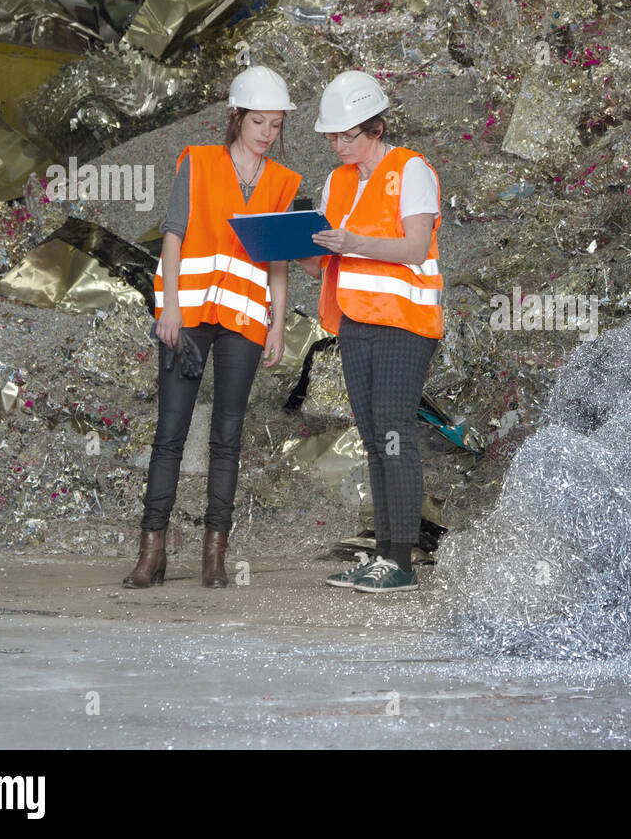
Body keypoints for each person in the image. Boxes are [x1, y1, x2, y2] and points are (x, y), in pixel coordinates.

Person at [124, 66, 302, 589]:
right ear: (236, 118)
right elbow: (174, 236)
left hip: (245, 321)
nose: (268, 134)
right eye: (259, 123)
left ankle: (214, 556)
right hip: (190, 316)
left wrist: (277, 324)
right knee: (169, 435)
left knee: (227, 436)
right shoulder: (198, 163)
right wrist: (170, 306)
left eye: (275, 125)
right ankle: (151, 552)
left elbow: (278, 261)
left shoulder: (283, 182)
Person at [296, 70, 443, 594]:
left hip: (405, 325)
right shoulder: (336, 182)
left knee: (395, 435)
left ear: (375, 127)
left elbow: (414, 248)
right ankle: (382, 554)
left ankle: (400, 562)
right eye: (332, 136)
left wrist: (352, 241)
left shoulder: (411, 170)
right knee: (375, 440)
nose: (337, 145)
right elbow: (325, 264)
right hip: (355, 323)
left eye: (346, 135)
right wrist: (294, 248)